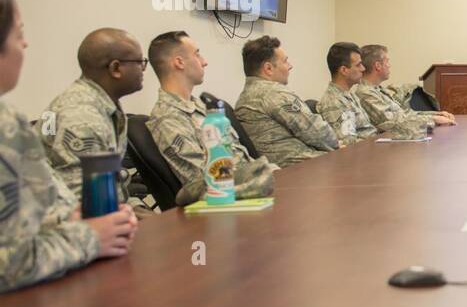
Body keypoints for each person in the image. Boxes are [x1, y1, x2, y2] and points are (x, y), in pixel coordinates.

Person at [0, 0, 137, 293]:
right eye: (19, 33)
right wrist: (90, 236)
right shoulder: (11, 124)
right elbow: (11, 264)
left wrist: (73, 217)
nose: (25, 43)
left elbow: (38, 203)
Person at [146, 30, 275, 202]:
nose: (204, 62)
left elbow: (238, 156)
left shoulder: (201, 107)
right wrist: (262, 173)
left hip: (253, 188)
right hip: (230, 201)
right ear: (179, 62)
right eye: (197, 54)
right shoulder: (167, 118)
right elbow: (208, 180)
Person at [41, 28, 146, 205]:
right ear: (116, 68)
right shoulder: (81, 116)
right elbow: (84, 201)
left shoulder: (101, 104)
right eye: (140, 62)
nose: (143, 69)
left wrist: (133, 209)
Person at [235, 36, 338, 167]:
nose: (290, 66)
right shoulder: (273, 93)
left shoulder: (246, 95)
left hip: (286, 169)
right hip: (304, 169)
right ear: (268, 69)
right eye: (285, 61)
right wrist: (337, 143)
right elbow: (317, 133)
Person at [354, 44, 454, 136]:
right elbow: (391, 121)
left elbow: (404, 113)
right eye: (387, 61)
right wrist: (433, 119)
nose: (389, 65)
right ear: (378, 66)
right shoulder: (365, 93)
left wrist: (436, 114)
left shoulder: (378, 90)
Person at [318, 42, 378, 146]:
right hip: (363, 155)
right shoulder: (334, 102)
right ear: (344, 70)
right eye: (358, 65)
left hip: (373, 147)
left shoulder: (349, 95)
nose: (363, 69)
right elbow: (349, 145)